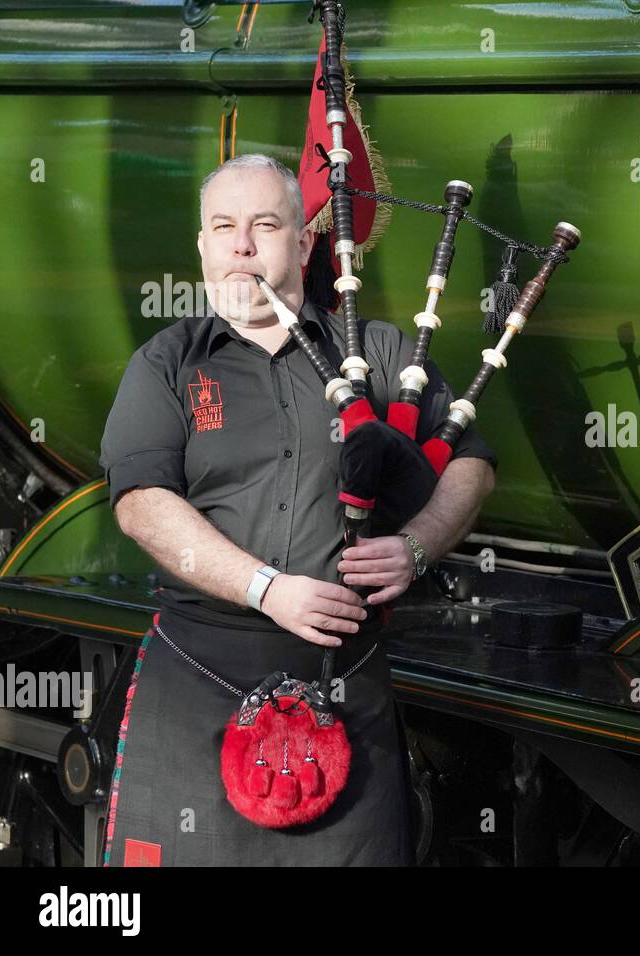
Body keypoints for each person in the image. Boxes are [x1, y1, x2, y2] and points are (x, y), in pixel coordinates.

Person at [98, 153, 497, 865]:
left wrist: (417, 546)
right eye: (223, 227)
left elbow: (469, 464)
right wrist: (266, 588)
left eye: (264, 225)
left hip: (343, 686)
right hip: (197, 680)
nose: (242, 245)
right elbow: (141, 504)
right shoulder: (166, 364)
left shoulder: (378, 354)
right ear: (201, 245)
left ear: (305, 241)